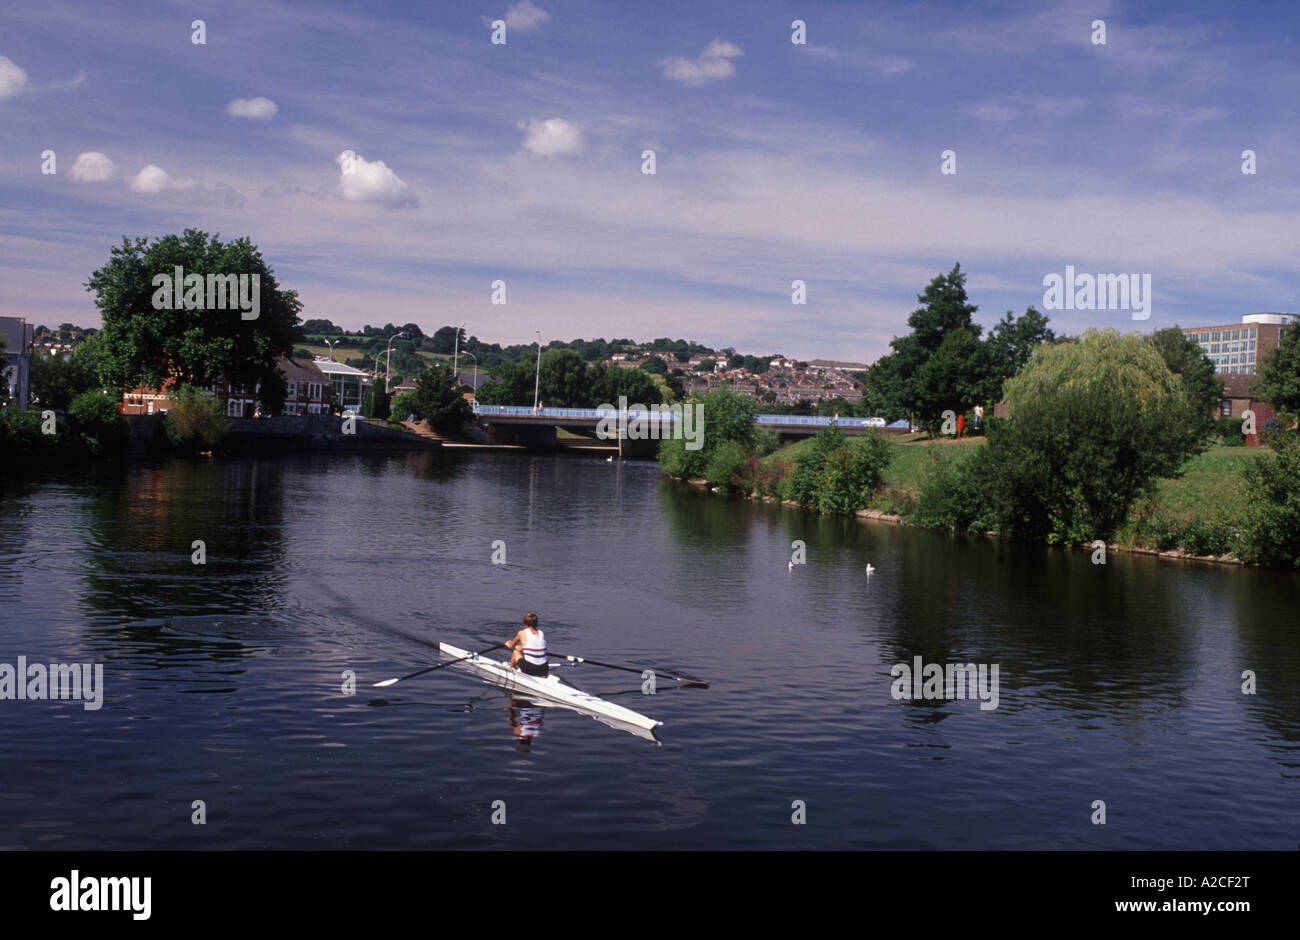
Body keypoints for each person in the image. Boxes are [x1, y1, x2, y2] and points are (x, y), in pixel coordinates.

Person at [506, 612, 548, 677]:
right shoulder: (541, 633)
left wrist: (507, 643)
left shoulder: (521, 633)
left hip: (530, 669)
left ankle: (511, 670)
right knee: (520, 649)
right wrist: (521, 647)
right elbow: (532, 645)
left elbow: (511, 645)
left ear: (525, 623)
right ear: (536, 623)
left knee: (515, 652)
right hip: (544, 669)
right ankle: (540, 675)